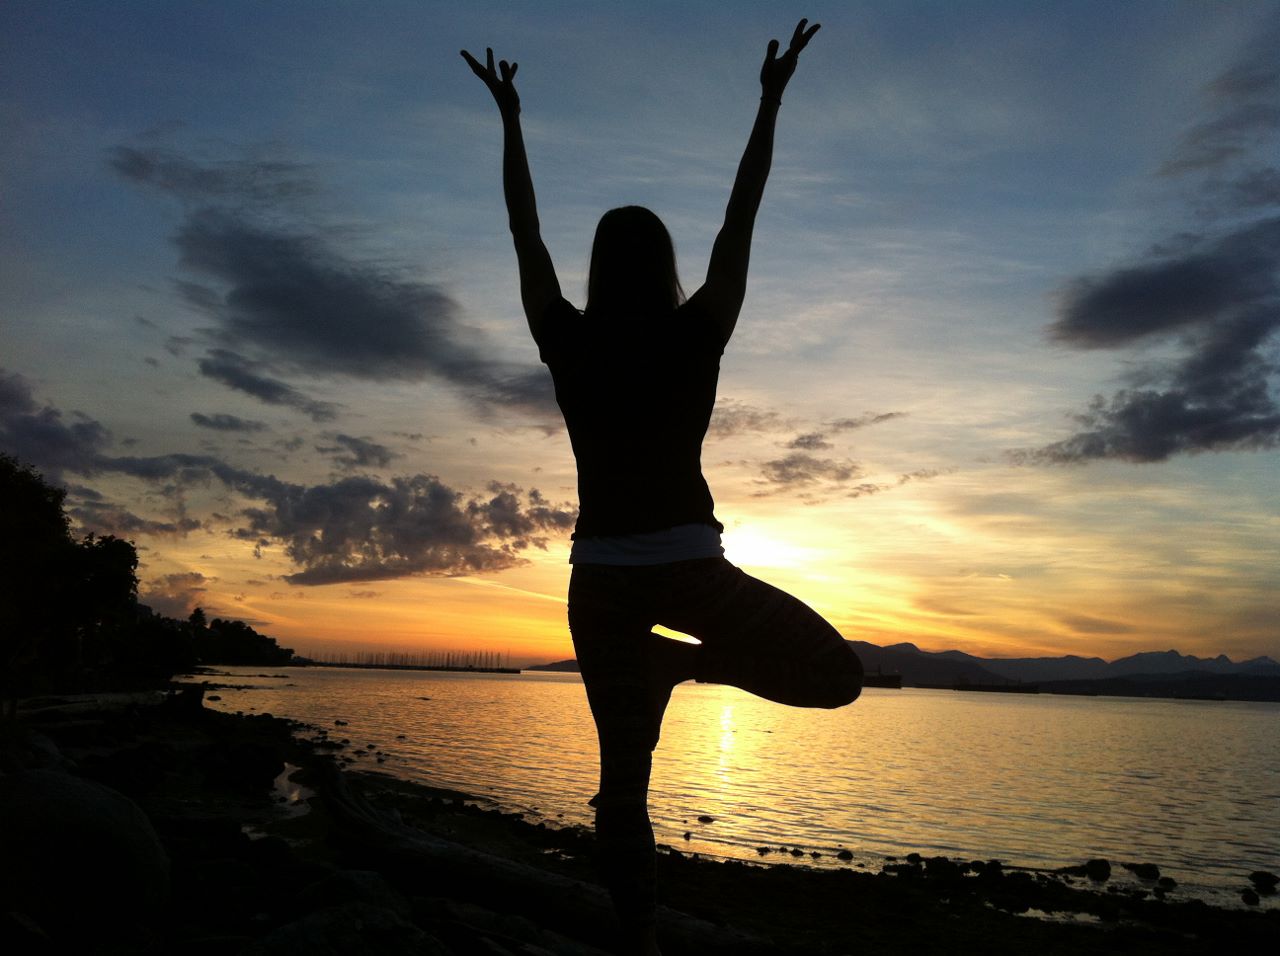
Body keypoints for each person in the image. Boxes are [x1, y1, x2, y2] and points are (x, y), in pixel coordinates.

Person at [463, 20, 863, 955]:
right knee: (836, 675)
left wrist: (511, 120)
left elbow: (522, 230)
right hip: (691, 574)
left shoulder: (566, 335)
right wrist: (770, 100)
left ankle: (635, 938)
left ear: (600, 270)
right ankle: (680, 666)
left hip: (599, 583)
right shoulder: (699, 332)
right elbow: (741, 217)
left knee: (623, 784)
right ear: (667, 267)